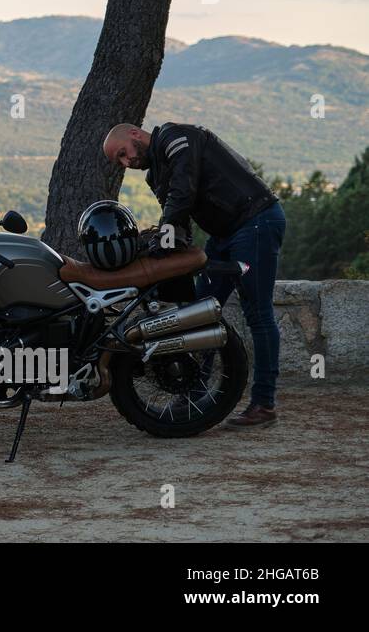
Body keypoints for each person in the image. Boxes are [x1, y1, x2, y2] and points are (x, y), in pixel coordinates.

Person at [102, 122, 285, 430]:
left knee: (257, 312)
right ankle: (194, 392)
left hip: (255, 221)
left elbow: (183, 192)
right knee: (198, 313)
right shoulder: (154, 174)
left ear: (135, 135)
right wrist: (160, 247)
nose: (126, 163)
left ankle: (264, 404)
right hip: (224, 235)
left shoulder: (177, 138)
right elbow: (179, 222)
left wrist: (165, 234)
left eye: (123, 154)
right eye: (119, 162)